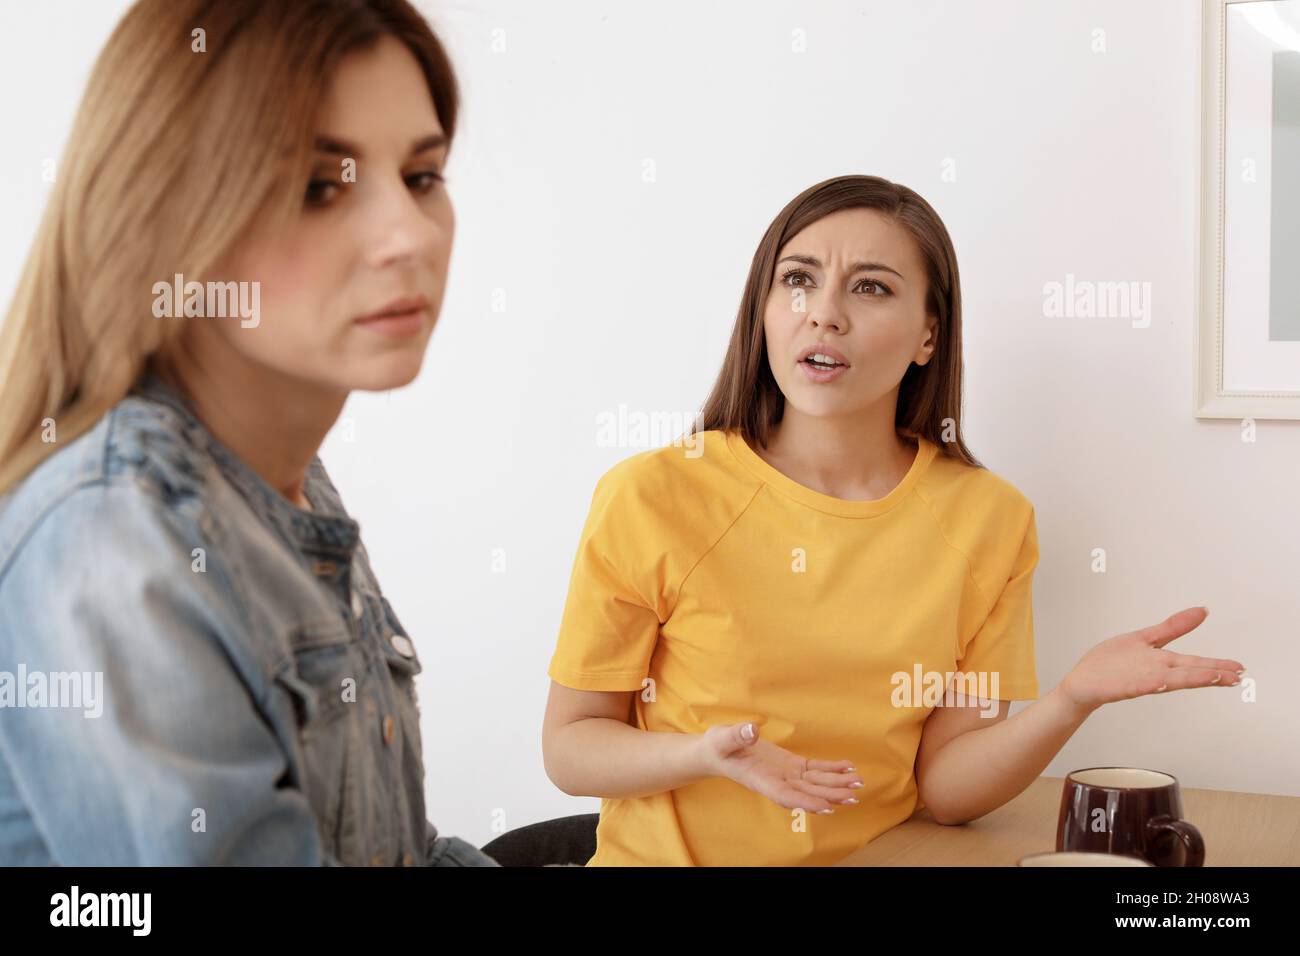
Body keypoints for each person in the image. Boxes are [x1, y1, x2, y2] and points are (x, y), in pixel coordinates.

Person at [541, 174, 1246, 866]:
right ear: (763, 311)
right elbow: (571, 747)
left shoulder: (989, 521)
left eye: (871, 286)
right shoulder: (653, 495)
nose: (824, 312)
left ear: (928, 337)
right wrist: (702, 755)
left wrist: (1070, 700)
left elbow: (947, 790)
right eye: (798, 279)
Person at [0, 0, 497, 866]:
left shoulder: (282, 477)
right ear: (170, 218)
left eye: (421, 177)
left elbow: (386, 846)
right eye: (320, 186)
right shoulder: (114, 534)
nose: (409, 234)